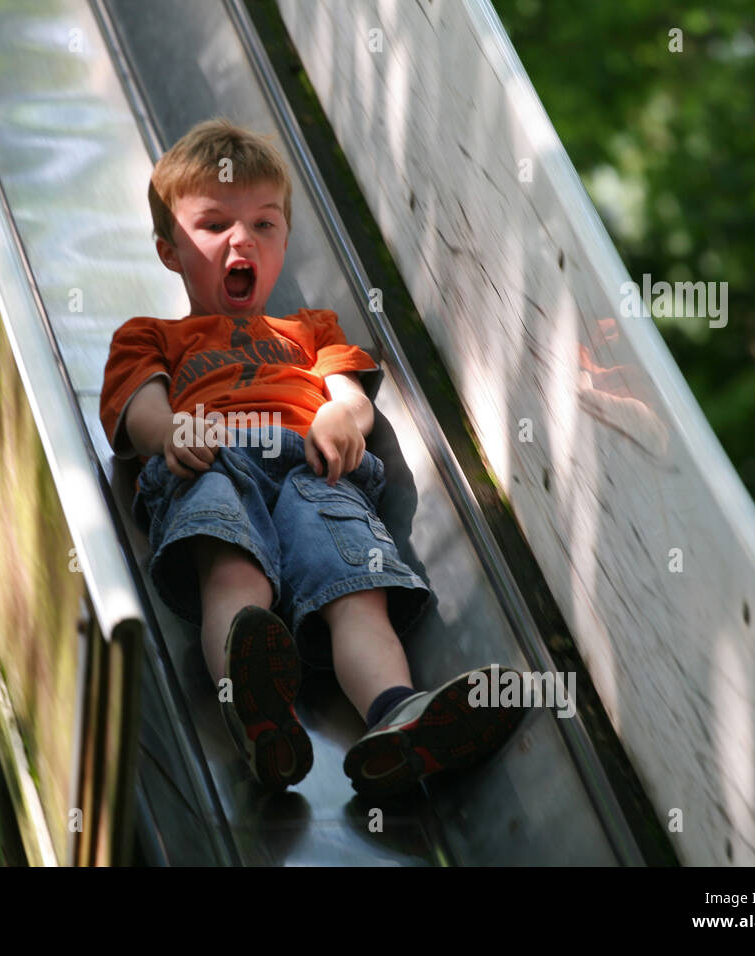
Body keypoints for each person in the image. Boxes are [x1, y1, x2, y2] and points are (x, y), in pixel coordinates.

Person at [100, 118, 527, 795]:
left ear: (284, 240)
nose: (242, 240)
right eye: (214, 226)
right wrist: (172, 431)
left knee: (356, 592)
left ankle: (397, 719)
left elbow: (350, 398)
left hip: (311, 467)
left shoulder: (309, 329)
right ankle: (257, 712)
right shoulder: (151, 335)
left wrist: (339, 413)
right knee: (234, 581)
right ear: (169, 250)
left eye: (264, 225)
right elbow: (139, 407)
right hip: (213, 462)